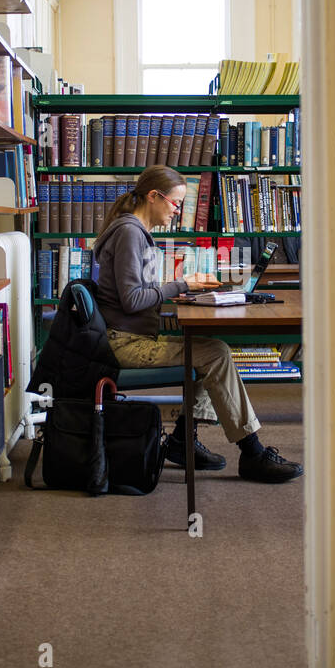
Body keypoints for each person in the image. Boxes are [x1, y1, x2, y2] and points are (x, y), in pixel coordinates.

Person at [93, 165, 304, 483]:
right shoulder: (129, 233)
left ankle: (183, 440)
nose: (177, 212)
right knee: (214, 353)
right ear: (153, 197)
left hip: (130, 335)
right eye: (175, 203)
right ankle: (252, 452)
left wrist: (187, 292)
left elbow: (137, 294)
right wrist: (183, 285)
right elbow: (133, 300)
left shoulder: (132, 231)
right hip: (124, 343)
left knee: (206, 347)